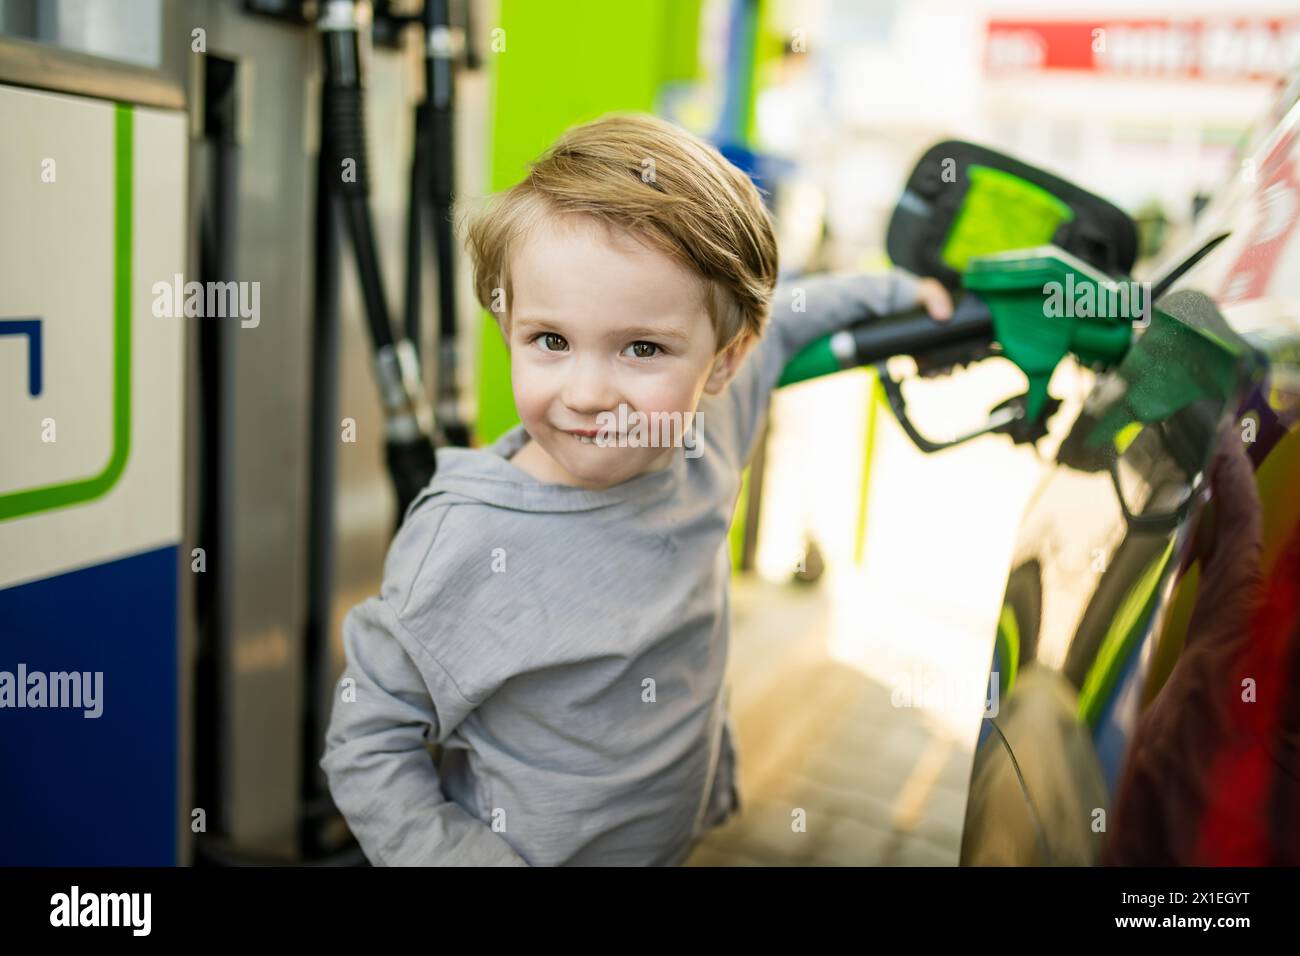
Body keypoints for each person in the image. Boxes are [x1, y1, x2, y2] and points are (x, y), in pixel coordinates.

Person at [320, 112, 952, 865]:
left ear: (721, 362)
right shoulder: (468, 540)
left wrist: (903, 296)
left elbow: (783, 321)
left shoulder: (706, 429)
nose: (587, 393)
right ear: (508, 324)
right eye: (550, 341)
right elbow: (366, 742)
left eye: (641, 348)